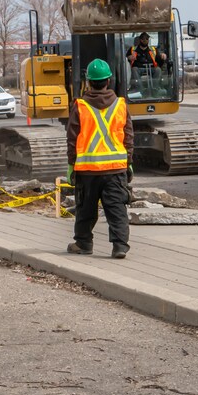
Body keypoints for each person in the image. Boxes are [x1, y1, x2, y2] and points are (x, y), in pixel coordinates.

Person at [66, 58, 135, 259]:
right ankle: (120, 246)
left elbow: (72, 138)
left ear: (88, 82)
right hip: (115, 169)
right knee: (116, 208)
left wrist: (71, 166)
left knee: (85, 209)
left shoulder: (79, 106)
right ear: (108, 81)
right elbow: (128, 137)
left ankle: (84, 243)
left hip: (87, 170)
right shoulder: (121, 105)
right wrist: (129, 163)